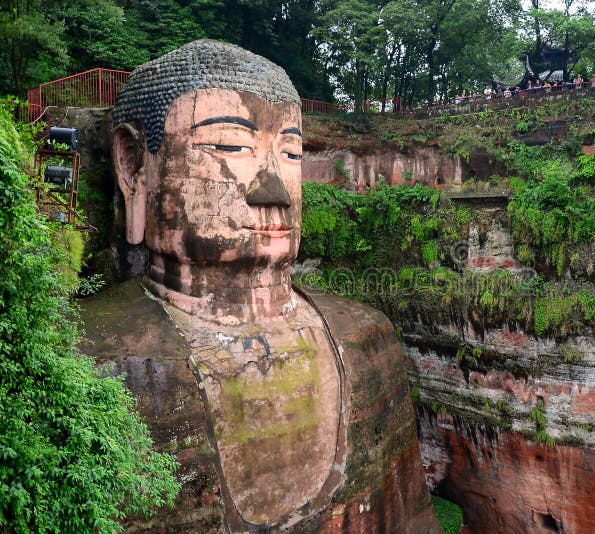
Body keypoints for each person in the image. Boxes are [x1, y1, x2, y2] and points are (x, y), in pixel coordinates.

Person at [86, 39, 439, 533]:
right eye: (231, 146)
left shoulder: (367, 339)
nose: (273, 190)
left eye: (291, 152)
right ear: (133, 167)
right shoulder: (87, 366)